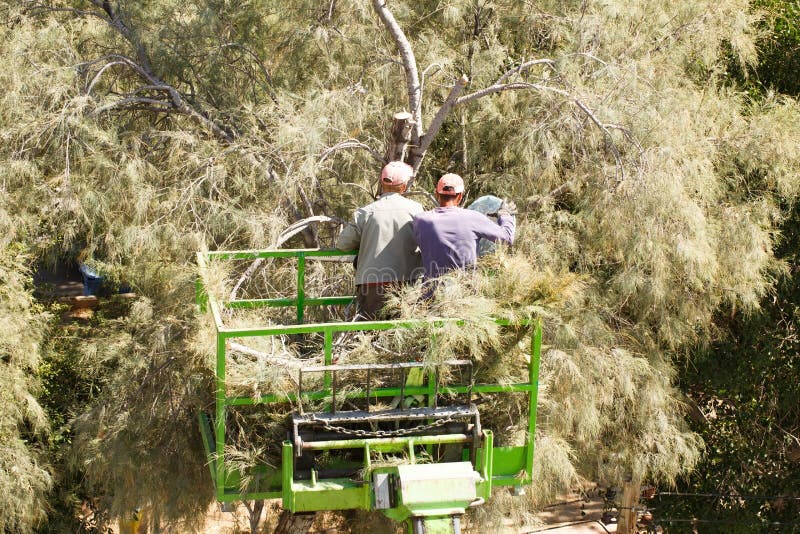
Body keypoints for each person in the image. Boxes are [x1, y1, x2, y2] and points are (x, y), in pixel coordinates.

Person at [336, 161, 424, 319]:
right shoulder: (416, 210)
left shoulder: (365, 212)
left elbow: (343, 244)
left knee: (369, 333)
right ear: (403, 186)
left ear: (382, 185)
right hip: (407, 281)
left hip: (371, 283)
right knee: (404, 331)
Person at [412, 173, 515, 279]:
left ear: (436, 194)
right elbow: (507, 238)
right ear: (460, 196)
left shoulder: (420, 220)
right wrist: (505, 215)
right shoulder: (473, 217)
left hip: (430, 292)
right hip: (465, 291)